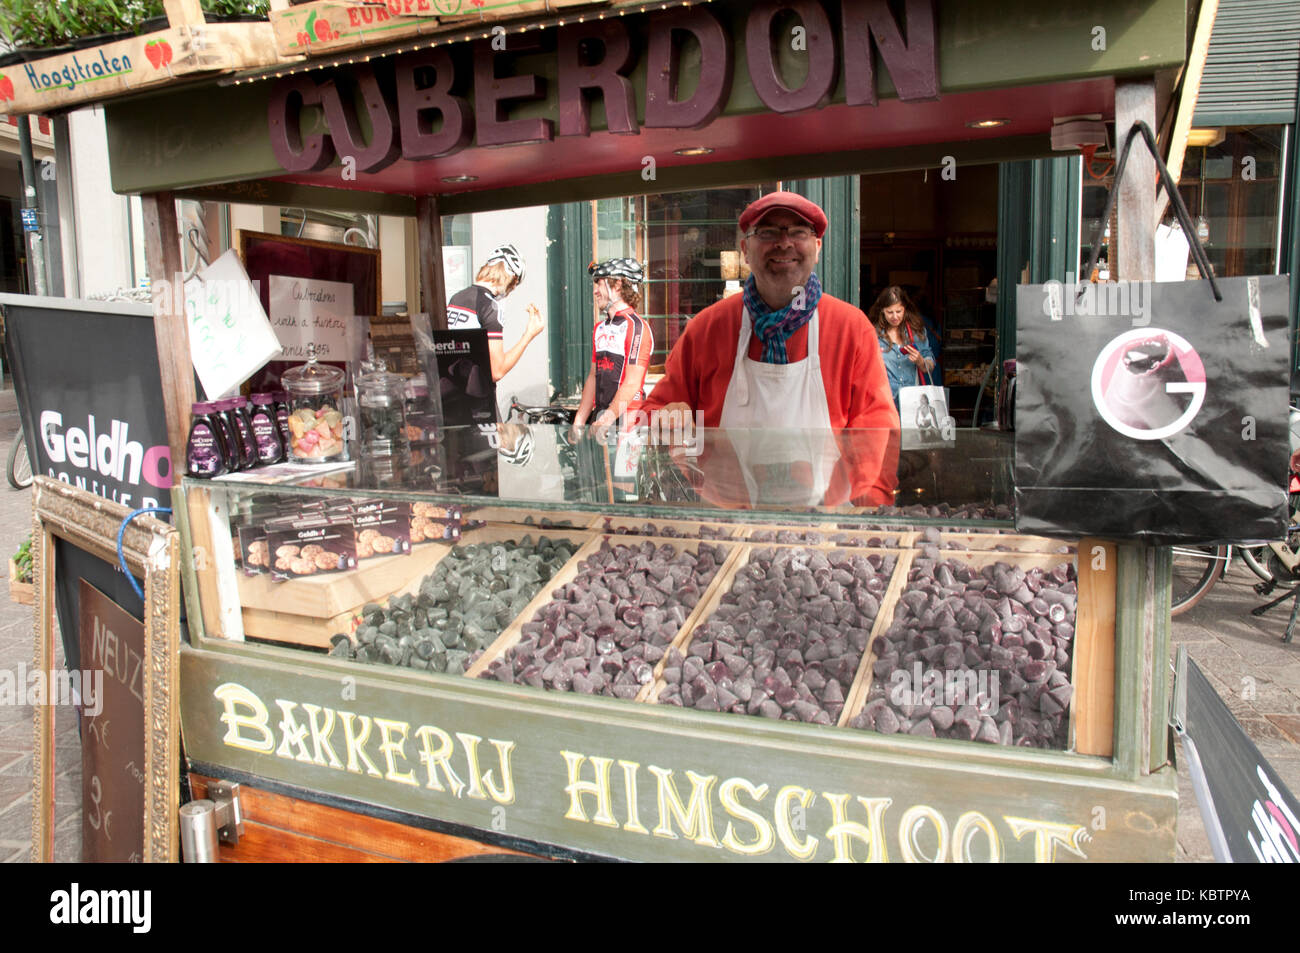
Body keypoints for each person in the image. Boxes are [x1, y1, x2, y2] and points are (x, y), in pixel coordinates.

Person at [639, 191, 899, 505]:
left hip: (827, 520)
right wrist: (667, 417)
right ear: (745, 249)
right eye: (768, 232)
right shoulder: (706, 329)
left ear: (817, 248)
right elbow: (651, 417)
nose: (784, 242)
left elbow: (878, 427)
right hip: (726, 521)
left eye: (799, 232)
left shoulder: (851, 328)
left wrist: (870, 509)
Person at [575, 258, 654, 439]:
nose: (595, 291)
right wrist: (579, 421)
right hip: (602, 417)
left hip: (628, 421)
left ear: (617, 285)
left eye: (599, 284)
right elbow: (593, 376)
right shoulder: (600, 328)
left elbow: (633, 382)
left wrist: (607, 418)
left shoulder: (637, 327)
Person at [446, 244, 545, 383]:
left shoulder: (457, 297)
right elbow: (496, 372)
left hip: (450, 389)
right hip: (476, 397)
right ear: (512, 280)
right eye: (514, 286)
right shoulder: (491, 307)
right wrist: (528, 335)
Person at [870, 285, 936, 406]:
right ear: (882, 310)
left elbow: (930, 364)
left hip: (912, 402)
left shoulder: (916, 332)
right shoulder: (873, 334)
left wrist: (921, 362)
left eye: (898, 311)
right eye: (890, 312)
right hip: (885, 402)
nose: (895, 316)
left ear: (905, 308)